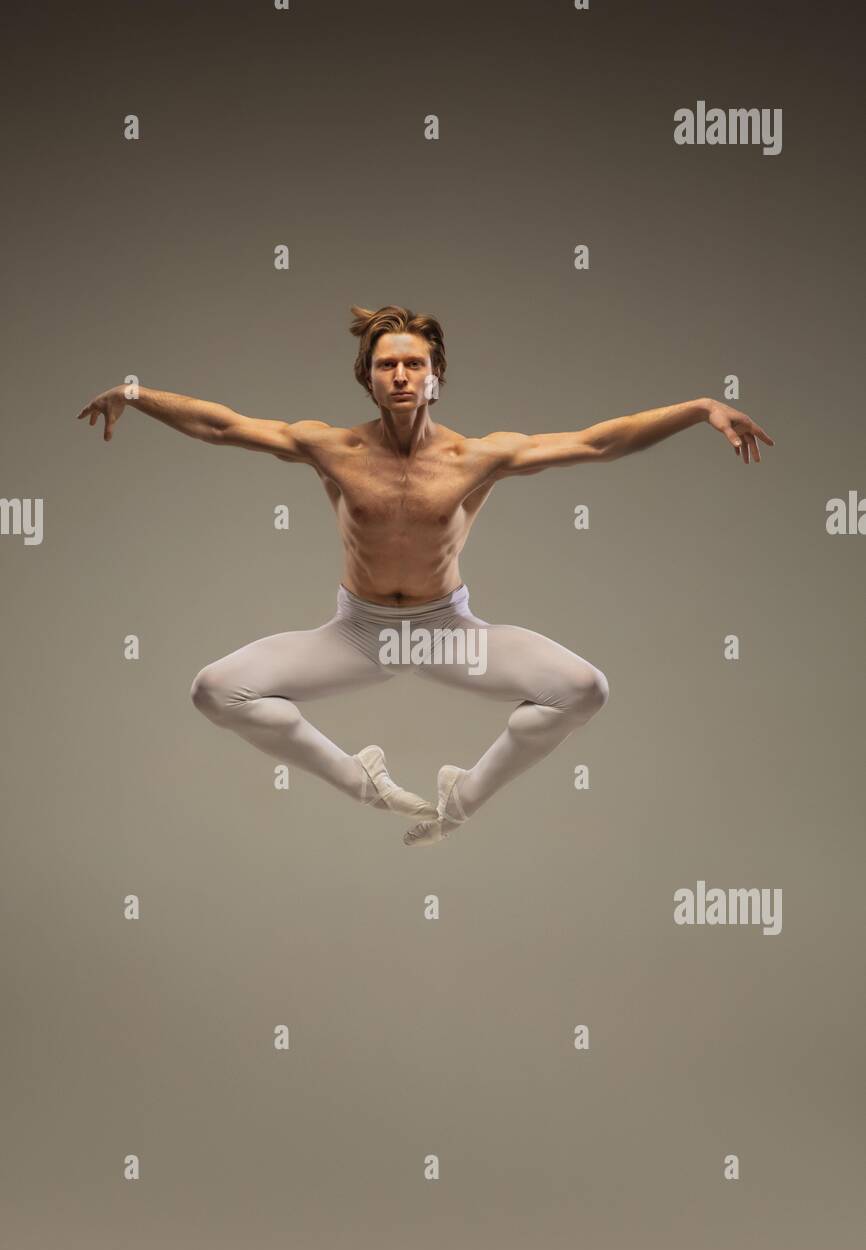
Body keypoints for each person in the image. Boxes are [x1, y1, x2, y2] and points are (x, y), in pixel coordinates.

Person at [77, 304, 774, 846]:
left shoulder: (478, 456)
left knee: (583, 690)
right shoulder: (333, 448)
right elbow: (223, 426)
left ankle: (462, 797)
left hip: (446, 632)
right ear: (369, 378)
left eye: (415, 363)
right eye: (388, 365)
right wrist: (135, 394)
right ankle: (362, 779)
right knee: (215, 691)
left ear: (436, 374)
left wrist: (699, 409)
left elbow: (596, 443)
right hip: (358, 634)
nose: (402, 375)